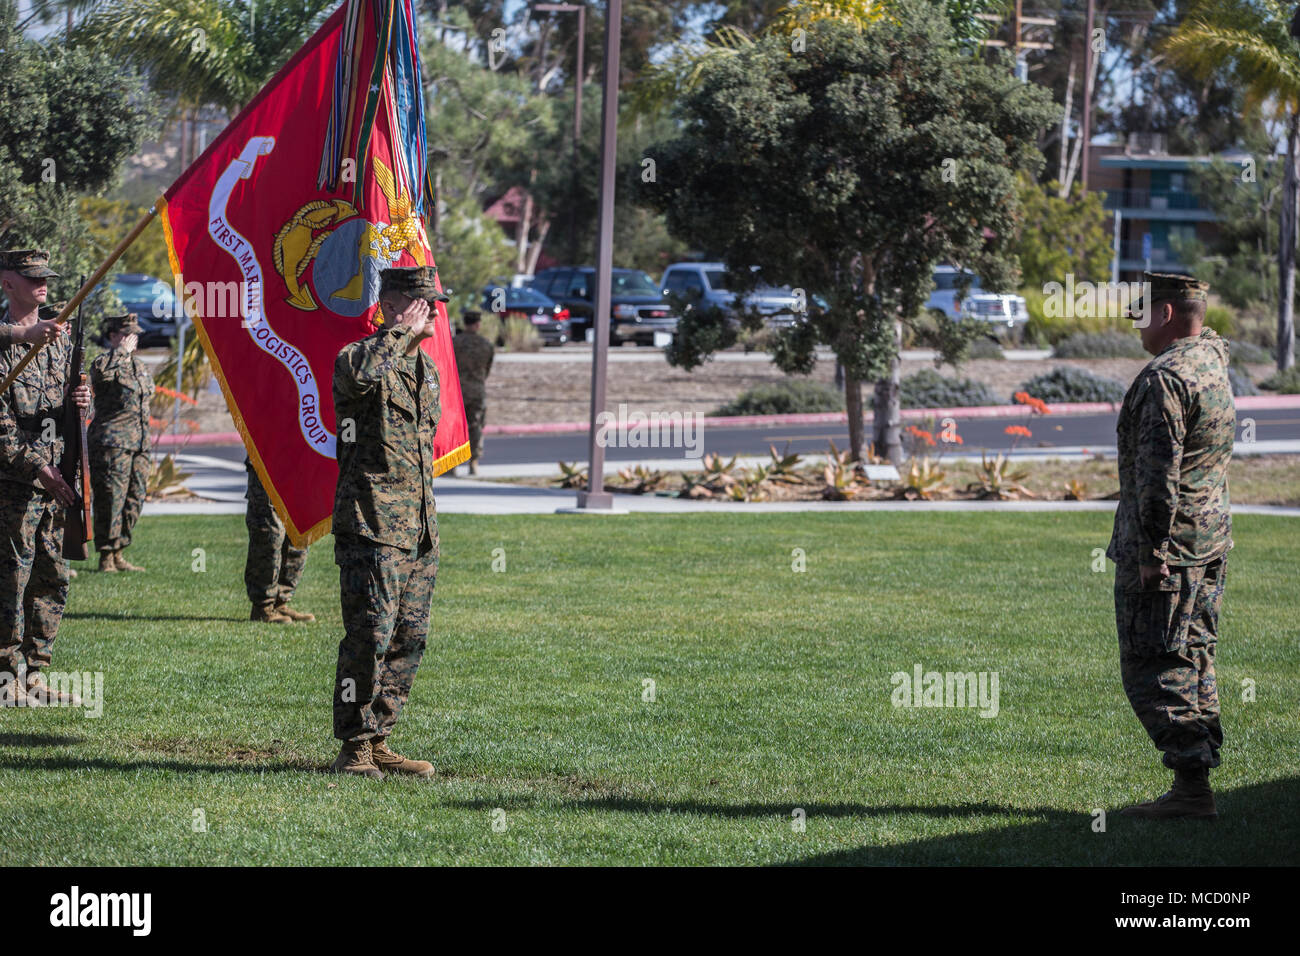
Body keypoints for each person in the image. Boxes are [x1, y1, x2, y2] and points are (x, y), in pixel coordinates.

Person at [1109, 272, 1234, 820]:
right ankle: (1197, 781)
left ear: (1164, 314)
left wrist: (1149, 556)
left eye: (1140, 311)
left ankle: (1190, 789)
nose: (1133, 320)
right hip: (1207, 545)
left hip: (1171, 551)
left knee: (1154, 663)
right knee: (1195, 654)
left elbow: (1158, 478)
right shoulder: (1211, 360)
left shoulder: (1166, 377)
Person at [329, 265, 448, 778]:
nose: (435, 315)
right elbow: (357, 377)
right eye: (426, 304)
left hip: (417, 530)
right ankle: (352, 745)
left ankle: (380, 737)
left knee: (408, 639)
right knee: (369, 636)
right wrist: (398, 332)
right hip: (372, 523)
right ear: (395, 305)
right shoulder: (357, 359)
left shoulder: (427, 371)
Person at [0, 250, 92, 707]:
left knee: (53, 576)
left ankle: (36, 673)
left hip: (60, 478)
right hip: (16, 484)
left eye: (46, 277)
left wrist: (83, 401)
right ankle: (4, 679)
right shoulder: (4, 343)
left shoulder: (60, 339)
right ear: (7, 282)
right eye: (32, 277)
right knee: (10, 580)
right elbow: (2, 427)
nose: (43, 285)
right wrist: (40, 469)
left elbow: (73, 413)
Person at [88, 313, 153, 573]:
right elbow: (100, 377)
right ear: (114, 335)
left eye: (134, 335)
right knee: (110, 500)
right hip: (112, 443)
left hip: (139, 444)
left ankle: (120, 551)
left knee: (134, 499)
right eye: (126, 334)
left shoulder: (140, 367)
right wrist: (121, 353)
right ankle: (106, 554)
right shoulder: (105, 361)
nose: (132, 339)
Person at [244, 457, 314, 623]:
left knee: (298, 532)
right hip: (267, 457)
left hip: (300, 461)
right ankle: (263, 606)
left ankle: (280, 601)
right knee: (269, 535)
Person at [453, 309, 494, 476]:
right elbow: (487, 369)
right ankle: (474, 462)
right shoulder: (486, 345)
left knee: (455, 427)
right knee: (476, 426)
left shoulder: (455, 342)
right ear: (478, 324)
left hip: (457, 391)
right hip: (477, 390)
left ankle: (453, 463)